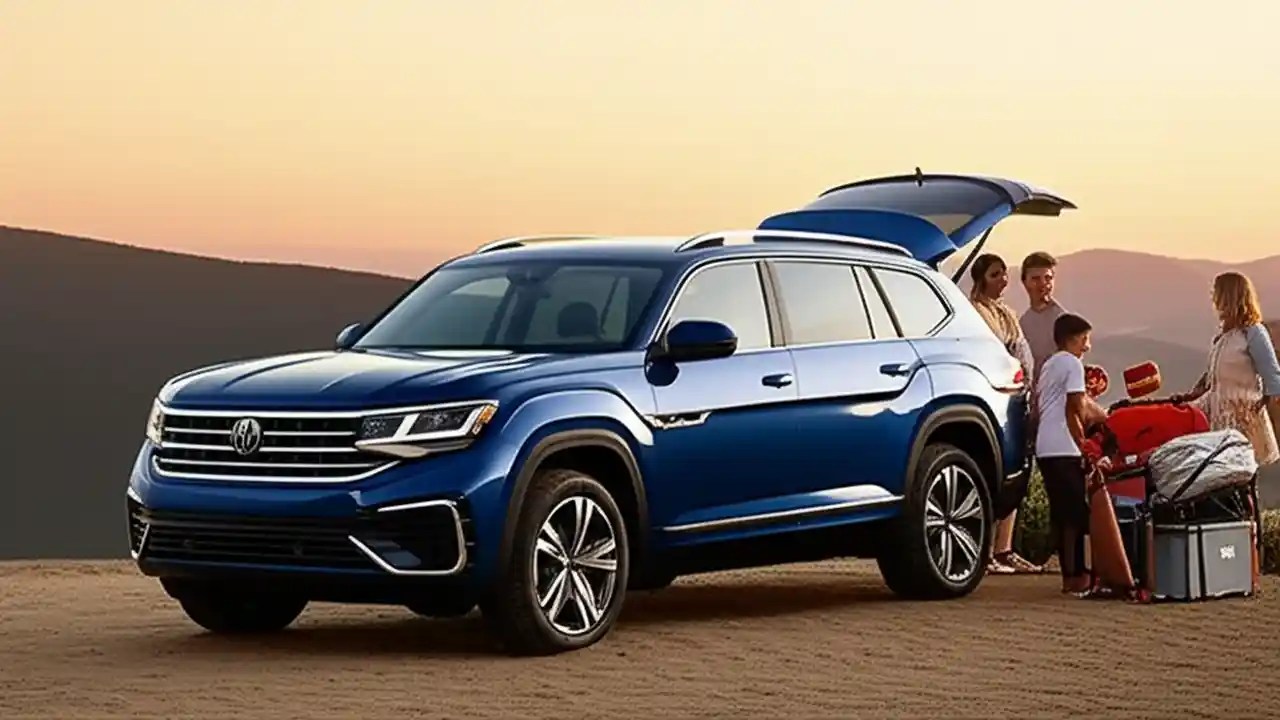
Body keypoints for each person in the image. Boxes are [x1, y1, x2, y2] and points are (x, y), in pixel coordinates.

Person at [967, 254, 1041, 574]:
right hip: (994, 395)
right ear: (982, 278)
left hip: (1019, 394)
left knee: (1017, 468)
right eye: (996, 275)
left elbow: (1022, 350)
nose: (1002, 280)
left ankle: (1004, 547)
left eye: (1004, 274)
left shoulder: (1007, 314)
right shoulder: (975, 313)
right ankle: (982, 550)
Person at [1177, 272, 1280, 465]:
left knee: (1243, 471)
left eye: (1216, 293)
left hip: (1242, 416)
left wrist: (1261, 403)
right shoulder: (1225, 335)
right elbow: (1214, 374)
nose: (1213, 298)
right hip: (1219, 413)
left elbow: (1271, 374)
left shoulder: (1253, 332)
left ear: (1228, 296)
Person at [1033, 312, 1098, 595]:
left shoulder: (1049, 365)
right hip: (1064, 445)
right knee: (1078, 515)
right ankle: (1080, 575)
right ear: (1072, 340)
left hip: (1044, 446)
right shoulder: (1073, 365)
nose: (1087, 346)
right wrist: (1083, 443)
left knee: (1061, 514)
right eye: (1084, 340)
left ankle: (1068, 576)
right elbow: (1075, 407)